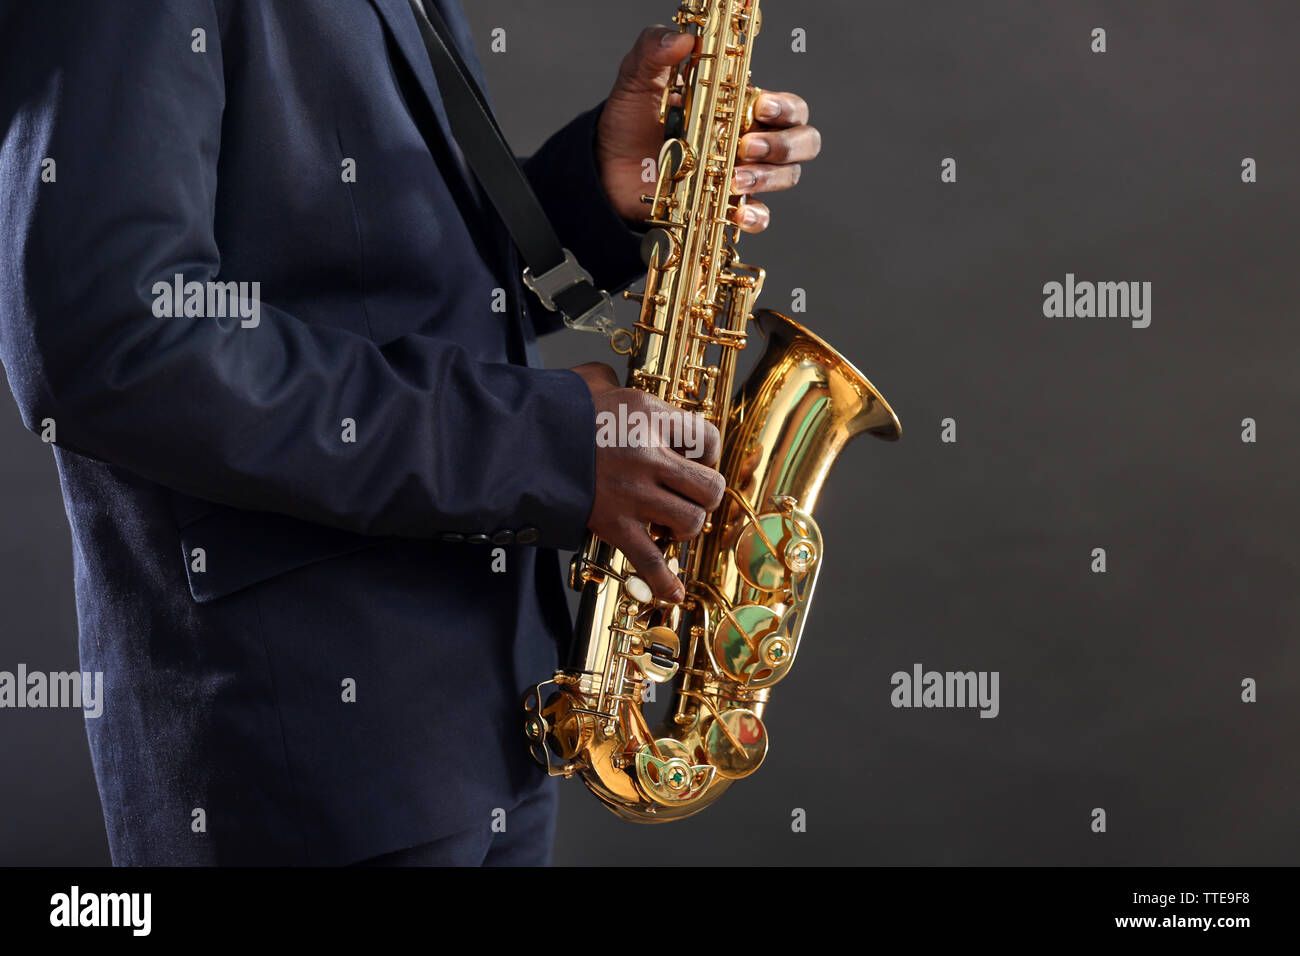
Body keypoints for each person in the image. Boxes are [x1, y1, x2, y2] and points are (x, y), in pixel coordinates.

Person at [0, 0, 820, 865]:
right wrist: (537, 445)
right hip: (306, 757)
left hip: (487, 719)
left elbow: (373, 285)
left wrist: (599, 186)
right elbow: (115, 345)